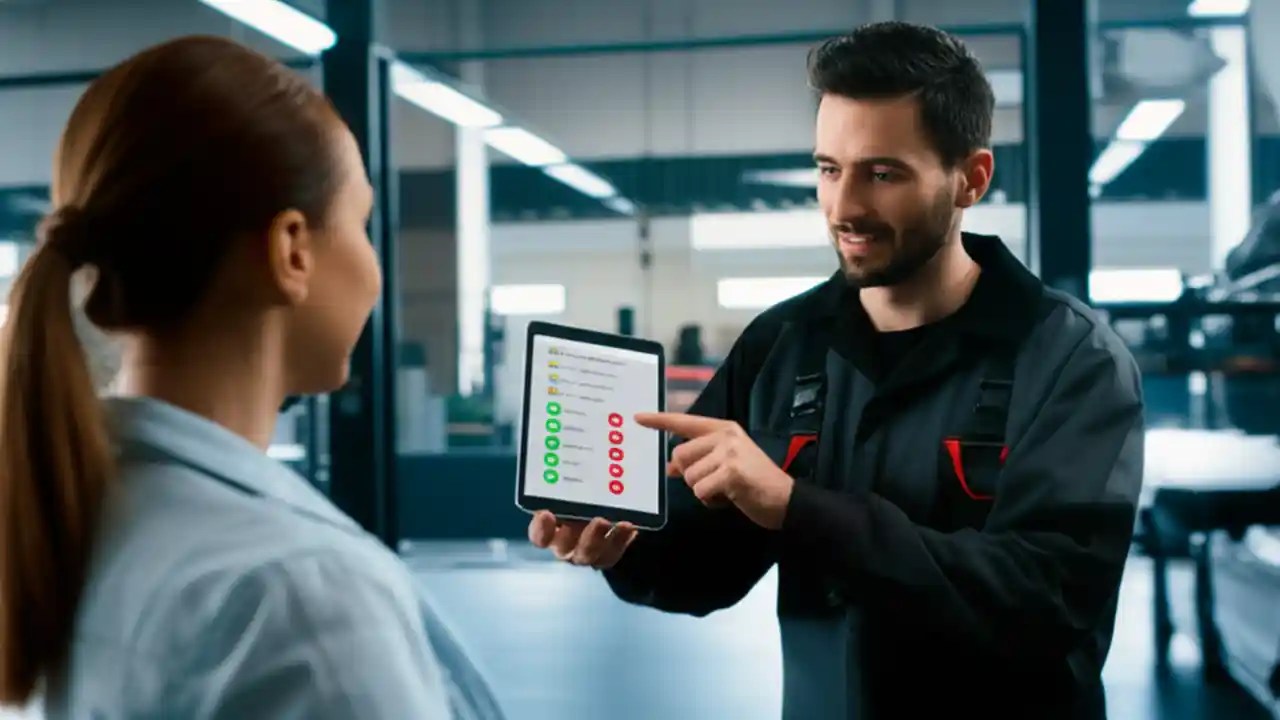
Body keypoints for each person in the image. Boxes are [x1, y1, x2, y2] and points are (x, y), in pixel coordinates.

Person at [529, 21, 1145, 719]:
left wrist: (798, 508)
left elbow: (1048, 602)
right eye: (829, 169)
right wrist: (624, 547)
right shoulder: (782, 345)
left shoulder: (1072, 360)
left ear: (970, 179)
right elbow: (707, 568)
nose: (845, 207)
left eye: (882, 174)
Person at [0, 36, 460, 719]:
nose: (373, 269)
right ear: (291, 250)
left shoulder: (57, 525)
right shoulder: (300, 595)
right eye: (361, 222)